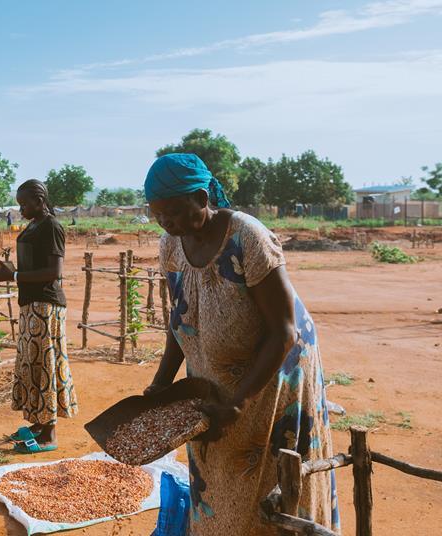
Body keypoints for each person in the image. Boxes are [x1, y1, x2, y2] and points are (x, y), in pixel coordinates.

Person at [143, 154, 339, 534]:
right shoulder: (171, 245)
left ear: (201, 198)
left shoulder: (247, 237)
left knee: (268, 483)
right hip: (211, 376)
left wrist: (238, 402)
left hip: (273, 377)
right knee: (215, 471)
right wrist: (162, 382)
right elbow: (180, 317)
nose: (166, 222)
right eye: (157, 214)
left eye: (174, 212)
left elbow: (285, 331)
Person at [0, 180, 77, 453]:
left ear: (39, 200)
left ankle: (49, 435)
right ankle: (37, 425)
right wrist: (6, 269)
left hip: (46, 306)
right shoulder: (34, 225)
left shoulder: (51, 226)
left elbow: (53, 272)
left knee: (45, 365)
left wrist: (11, 275)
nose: (21, 208)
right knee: (31, 364)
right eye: (19, 204)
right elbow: (31, 265)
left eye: (24, 203)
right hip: (30, 305)